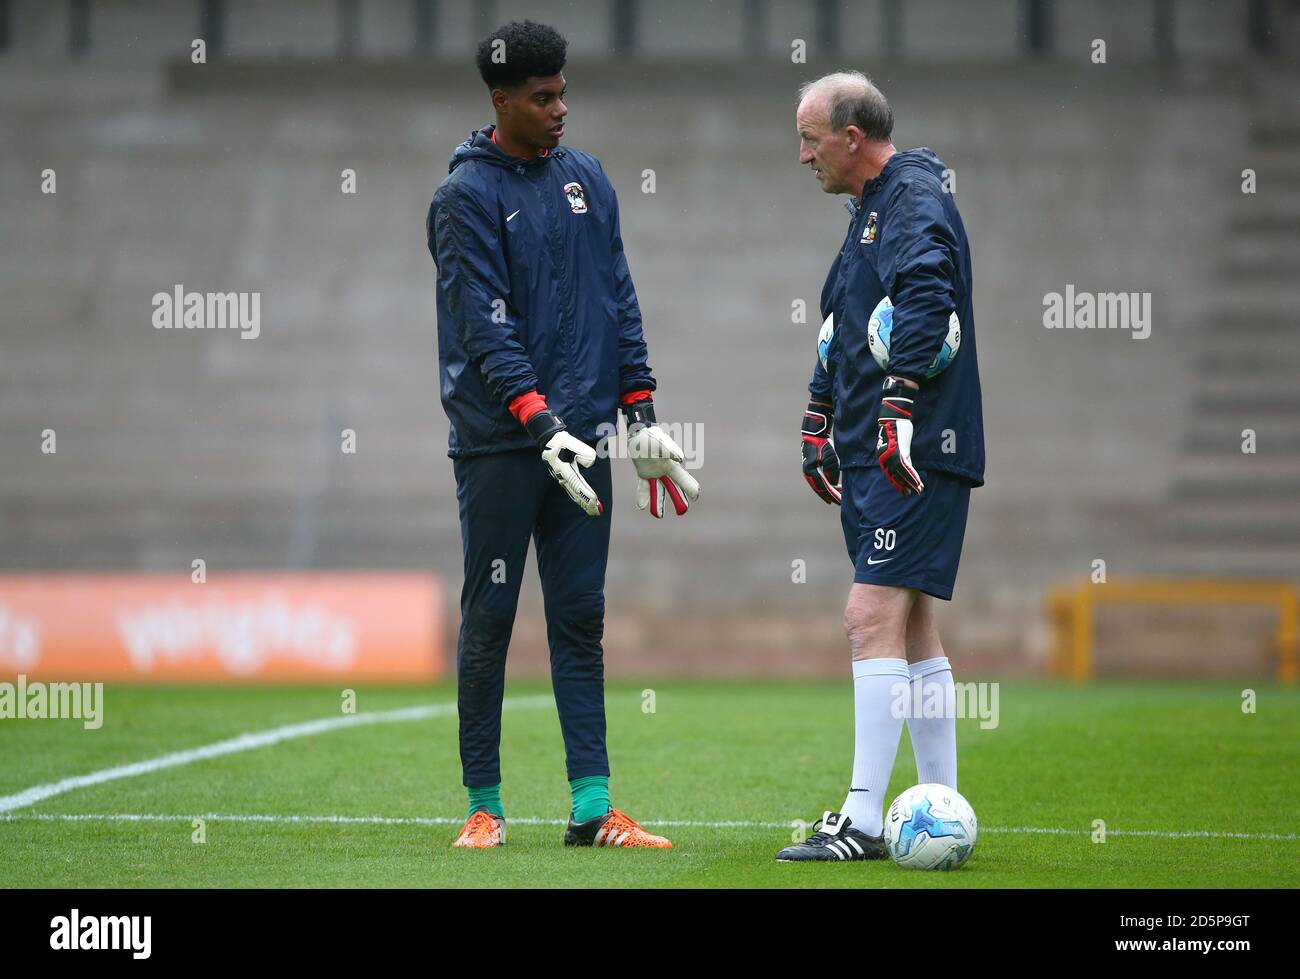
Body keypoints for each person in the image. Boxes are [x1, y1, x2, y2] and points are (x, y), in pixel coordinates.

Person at [426, 20, 699, 849]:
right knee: (493, 615)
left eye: (563, 92)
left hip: (584, 443)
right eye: (542, 97)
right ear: (500, 101)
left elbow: (618, 295)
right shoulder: (463, 198)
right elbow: (483, 328)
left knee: (580, 616)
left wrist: (641, 412)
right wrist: (538, 423)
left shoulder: (587, 179)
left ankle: (592, 806)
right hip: (503, 444)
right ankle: (484, 803)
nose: (560, 108)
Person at [778, 71, 984, 861]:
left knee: (868, 616)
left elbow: (930, 298)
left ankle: (862, 821)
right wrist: (818, 413)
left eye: (809, 138)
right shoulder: (871, 208)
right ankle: (944, 803)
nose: (803, 156)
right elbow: (842, 324)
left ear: (852, 137)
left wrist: (897, 404)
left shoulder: (913, 198)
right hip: (877, 449)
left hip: (915, 449)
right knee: (912, 622)